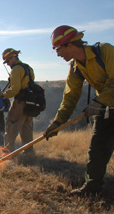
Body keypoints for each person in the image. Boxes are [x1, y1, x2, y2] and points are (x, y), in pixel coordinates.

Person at [44, 25, 114, 196]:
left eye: (58, 49)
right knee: (96, 149)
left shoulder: (105, 51)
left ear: (69, 44)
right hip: (106, 109)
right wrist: (58, 122)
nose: (58, 54)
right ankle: (92, 188)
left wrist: (99, 102)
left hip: (103, 104)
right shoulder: (75, 67)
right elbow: (70, 97)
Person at [0, 48, 35, 154]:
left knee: (11, 128)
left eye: (8, 61)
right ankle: (29, 153)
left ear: (13, 57)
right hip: (30, 103)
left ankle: (7, 155)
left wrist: (3, 94)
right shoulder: (28, 68)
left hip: (19, 103)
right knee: (27, 129)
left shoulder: (16, 69)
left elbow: (15, 89)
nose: (8, 64)